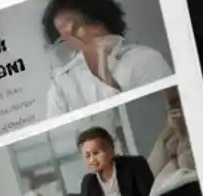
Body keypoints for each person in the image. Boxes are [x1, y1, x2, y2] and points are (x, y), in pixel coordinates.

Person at [42, 0, 174, 117]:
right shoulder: (61, 82)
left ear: (99, 19)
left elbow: (156, 118)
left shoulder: (146, 59)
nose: (77, 37)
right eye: (65, 34)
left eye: (77, 26)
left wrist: (105, 77)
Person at [73, 126, 153, 196]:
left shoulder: (135, 164)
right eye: (87, 156)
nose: (92, 159)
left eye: (96, 153)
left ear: (111, 150)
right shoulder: (90, 182)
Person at [147, 87, 198, 196]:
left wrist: (182, 134)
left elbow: (189, 168)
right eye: (170, 105)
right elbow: (149, 172)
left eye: (175, 102)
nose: (171, 109)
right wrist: (166, 134)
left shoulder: (198, 133)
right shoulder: (169, 140)